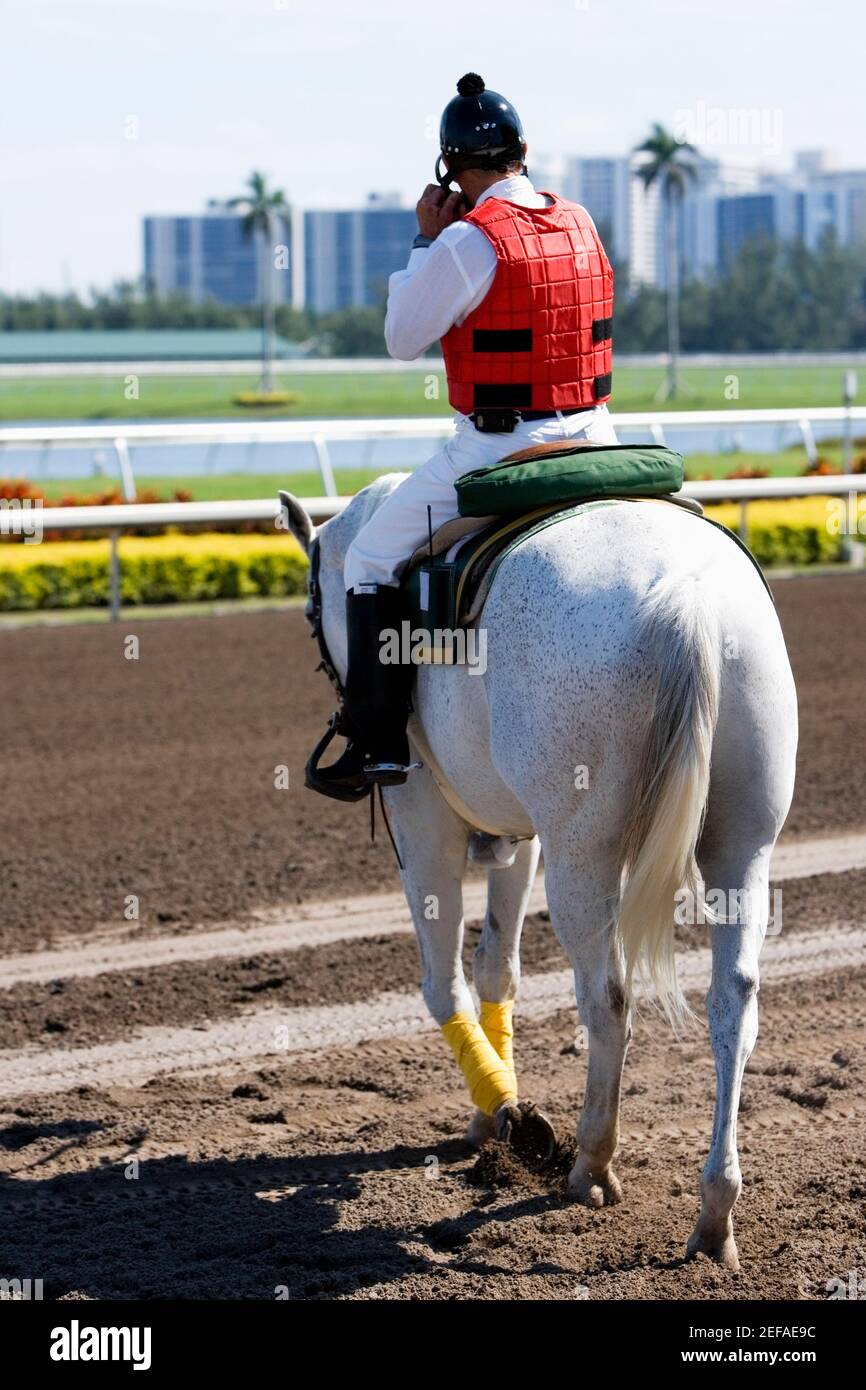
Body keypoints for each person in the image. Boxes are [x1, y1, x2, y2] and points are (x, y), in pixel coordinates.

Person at [319, 72, 616, 794]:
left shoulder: (462, 241)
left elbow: (401, 338)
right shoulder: (580, 220)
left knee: (365, 560)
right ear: (525, 152)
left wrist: (425, 239)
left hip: (500, 449)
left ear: (449, 170)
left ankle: (380, 741)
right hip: (602, 439)